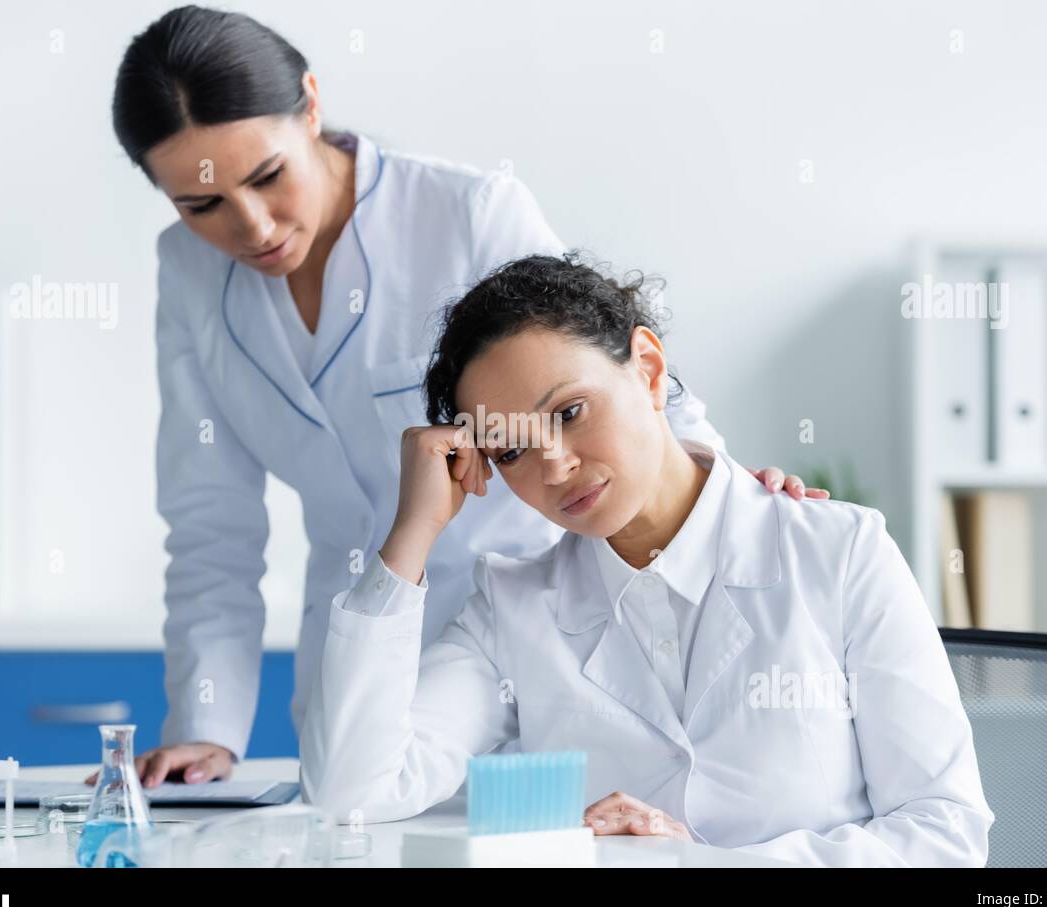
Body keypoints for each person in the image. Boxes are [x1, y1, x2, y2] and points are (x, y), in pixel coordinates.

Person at [98, 6, 824, 788]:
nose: (253, 226)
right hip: (359, 670)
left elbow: (603, 367)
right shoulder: (188, 274)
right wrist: (208, 729)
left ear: (310, 104)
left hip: (530, 654)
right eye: (200, 204)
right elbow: (211, 522)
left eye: (268, 175)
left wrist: (734, 493)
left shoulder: (466, 211)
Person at [299, 254, 993, 866]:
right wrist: (412, 533)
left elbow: (945, 832)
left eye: (569, 412)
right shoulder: (514, 608)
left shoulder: (839, 554)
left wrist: (694, 861)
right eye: (510, 449)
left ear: (650, 370)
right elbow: (354, 790)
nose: (557, 464)